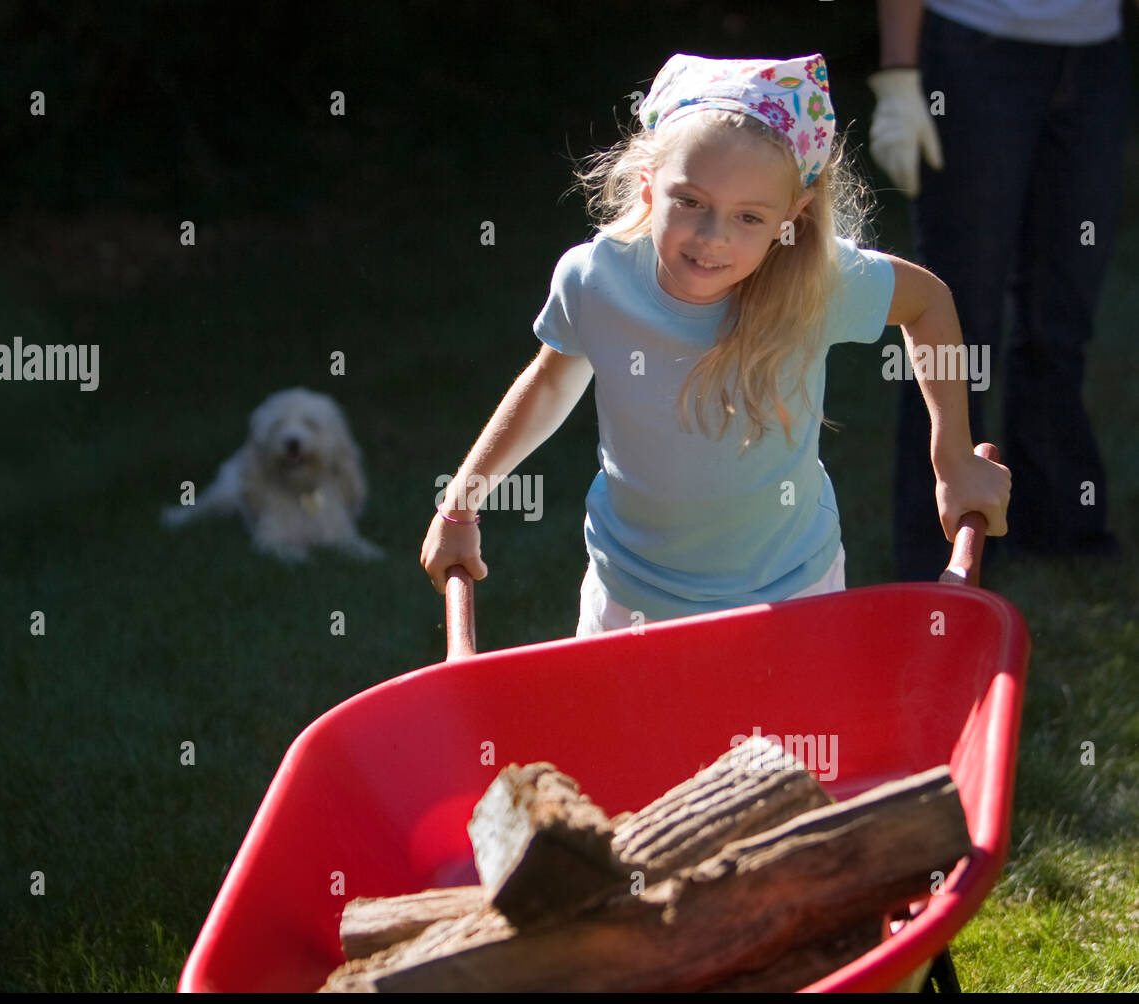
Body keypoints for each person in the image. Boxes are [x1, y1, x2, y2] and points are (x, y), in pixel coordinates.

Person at [419, 52, 1010, 636]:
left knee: (774, 738)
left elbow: (927, 303)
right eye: (691, 201)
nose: (712, 238)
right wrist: (462, 502)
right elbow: (551, 383)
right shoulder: (596, 279)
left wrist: (951, 455)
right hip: (631, 594)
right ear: (649, 184)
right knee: (631, 736)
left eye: (749, 218)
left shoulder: (813, 285)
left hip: (788, 594)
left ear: (793, 215)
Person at [868, 0, 1128, 578]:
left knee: (1062, 315)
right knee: (958, 312)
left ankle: (1059, 529)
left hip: (1097, 56)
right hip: (974, 50)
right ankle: (935, 547)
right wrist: (898, 76)